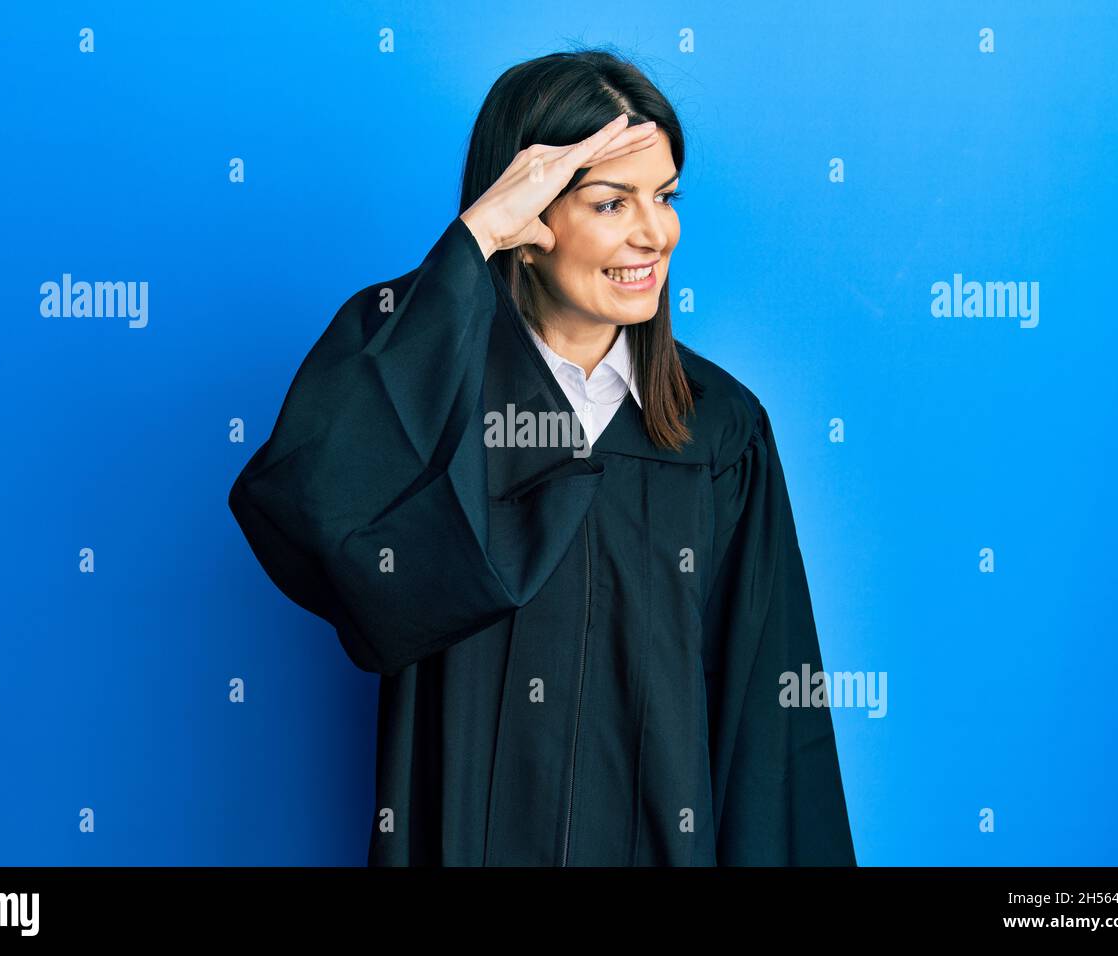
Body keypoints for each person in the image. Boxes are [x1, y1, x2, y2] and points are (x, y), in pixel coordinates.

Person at [228, 49, 856, 866]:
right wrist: (471, 243)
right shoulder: (435, 404)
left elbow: (768, 724)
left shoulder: (717, 432)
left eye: (664, 197)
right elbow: (307, 504)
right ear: (530, 224)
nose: (653, 232)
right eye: (610, 201)